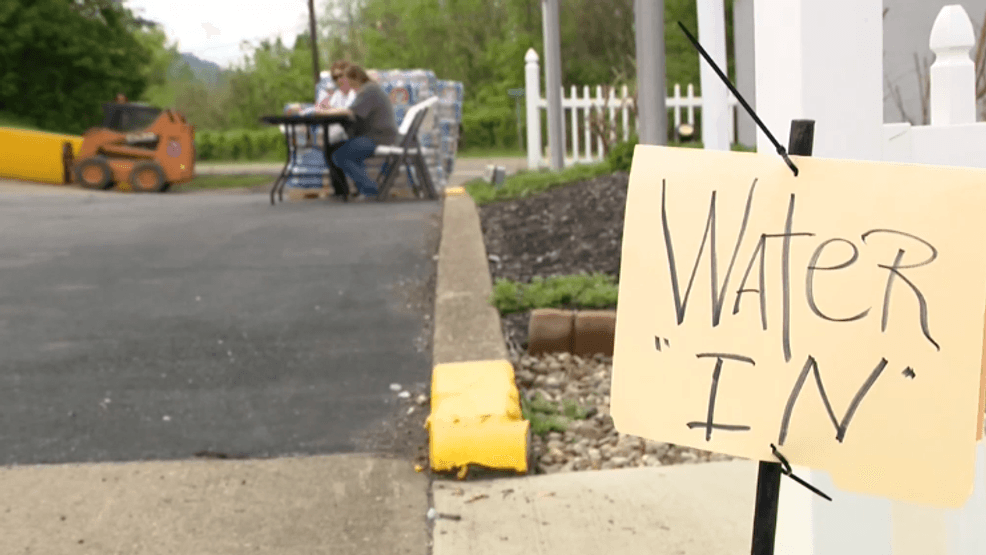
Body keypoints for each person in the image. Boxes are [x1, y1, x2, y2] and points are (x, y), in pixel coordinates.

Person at [317, 64, 398, 201]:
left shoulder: (368, 91)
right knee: (345, 149)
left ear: (355, 78)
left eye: (348, 80)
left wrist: (326, 111)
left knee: (339, 155)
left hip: (378, 137)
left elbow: (350, 111)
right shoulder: (371, 89)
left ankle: (370, 190)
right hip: (380, 135)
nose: (345, 83)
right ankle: (363, 189)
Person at [317, 61, 358, 198]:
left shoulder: (355, 92)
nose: (339, 80)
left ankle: (344, 189)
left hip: (360, 133)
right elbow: (329, 110)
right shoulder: (337, 95)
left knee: (334, 148)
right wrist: (325, 108)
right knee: (329, 145)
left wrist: (327, 110)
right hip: (344, 133)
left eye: (341, 76)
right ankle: (341, 190)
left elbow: (347, 112)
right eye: (335, 78)